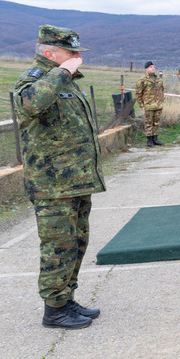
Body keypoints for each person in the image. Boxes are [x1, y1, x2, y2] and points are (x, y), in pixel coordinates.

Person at [13, 25, 106, 329]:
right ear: (49, 53)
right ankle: (53, 310)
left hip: (75, 181)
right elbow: (31, 104)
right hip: (52, 186)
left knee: (77, 242)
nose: (78, 57)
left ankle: (66, 299)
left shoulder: (66, 83)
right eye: (71, 52)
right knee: (58, 246)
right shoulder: (35, 80)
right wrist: (63, 72)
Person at [135, 61, 165, 147]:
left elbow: (162, 92)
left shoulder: (159, 80)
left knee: (156, 123)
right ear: (146, 69)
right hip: (148, 106)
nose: (153, 68)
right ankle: (149, 140)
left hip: (158, 105)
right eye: (151, 67)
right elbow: (138, 94)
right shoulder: (142, 81)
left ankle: (155, 139)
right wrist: (142, 106)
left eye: (154, 67)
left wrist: (161, 102)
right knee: (148, 123)